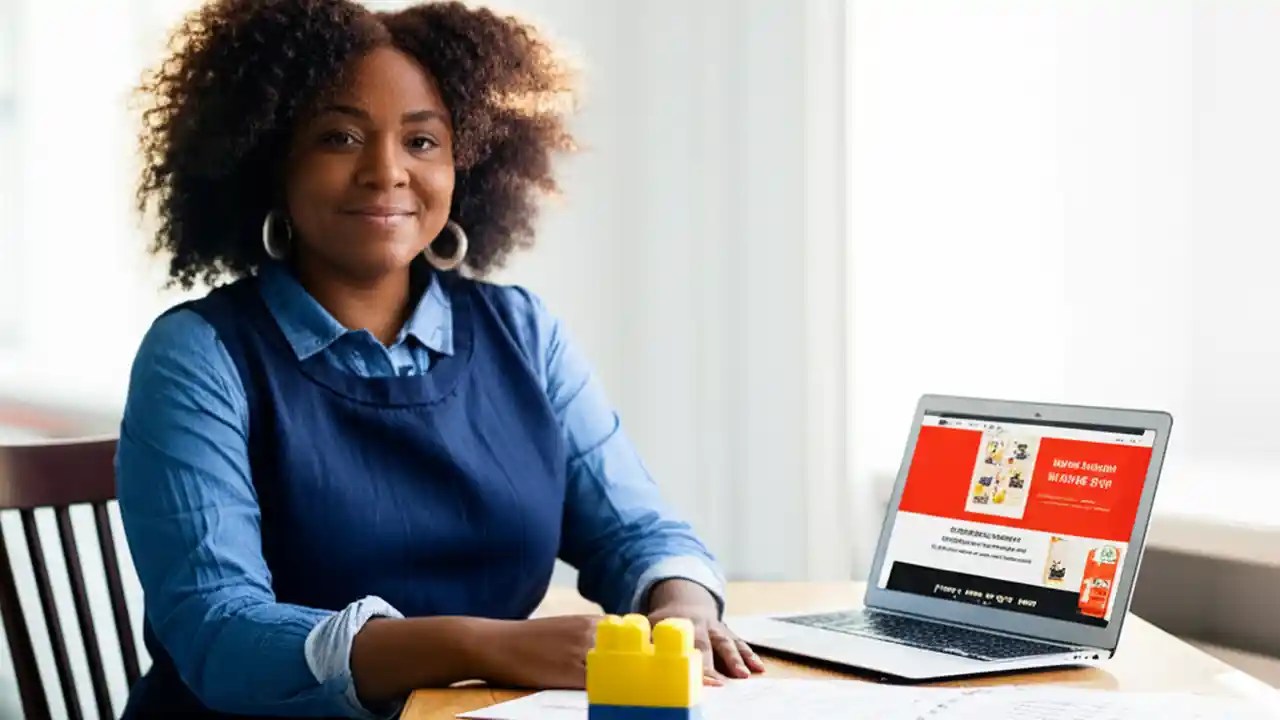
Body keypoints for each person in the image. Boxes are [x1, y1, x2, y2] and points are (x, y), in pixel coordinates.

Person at [116, 1, 763, 717]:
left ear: (468, 163)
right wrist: (479, 647)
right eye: (339, 136)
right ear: (271, 161)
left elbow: (639, 531)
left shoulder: (524, 332)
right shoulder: (198, 357)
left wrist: (681, 607)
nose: (385, 171)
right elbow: (220, 635)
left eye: (422, 141)